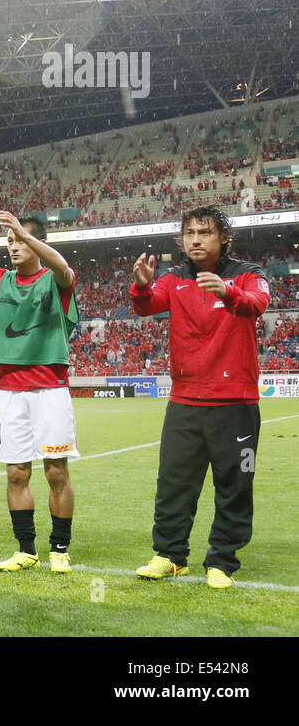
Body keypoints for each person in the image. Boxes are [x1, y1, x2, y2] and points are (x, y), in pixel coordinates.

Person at [130, 206, 270, 589]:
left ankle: (222, 561)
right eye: (189, 232)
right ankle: (170, 556)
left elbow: (257, 304)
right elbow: (145, 306)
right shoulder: (174, 278)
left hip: (236, 404)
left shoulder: (250, 274)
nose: (195, 239)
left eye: (204, 232)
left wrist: (228, 291)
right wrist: (142, 285)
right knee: (173, 483)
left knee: (235, 484)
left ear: (223, 238)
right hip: (185, 402)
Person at [0, 193, 80, 573]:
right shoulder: (0, 281)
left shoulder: (56, 281)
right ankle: (26, 549)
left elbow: (63, 267)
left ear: (36, 243)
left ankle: (60, 548)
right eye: (10, 242)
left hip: (50, 388)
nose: (14, 247)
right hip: (10, 391)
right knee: (16, 472)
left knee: (56, 470)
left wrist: (24, 230)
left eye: (19, 241)